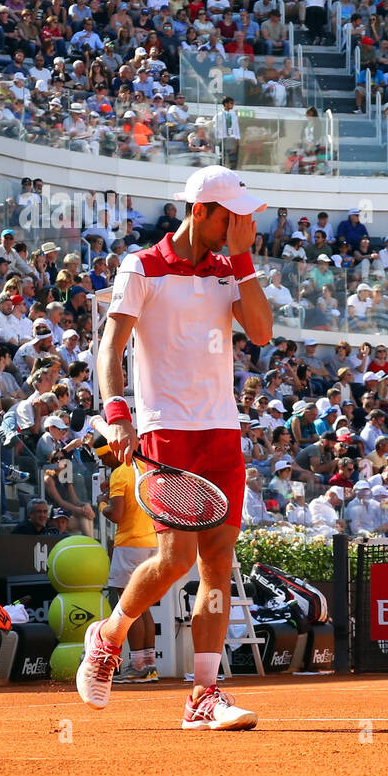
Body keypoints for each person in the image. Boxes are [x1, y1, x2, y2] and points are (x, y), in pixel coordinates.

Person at [78, 165, 273, 730]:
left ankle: (203, 696)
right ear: (201, 212)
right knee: (176, 559)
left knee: (217, 561)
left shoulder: (230, 268)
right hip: (165, 429)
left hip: (222, 430)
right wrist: (117, 415)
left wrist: (243, 260)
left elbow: (260, 332)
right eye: (233, 216)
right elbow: (109, 347)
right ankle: (110, 637)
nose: (243, 225)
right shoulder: (141, 266)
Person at [99, 441, 161, 684]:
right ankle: (148, 666)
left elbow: (116, 514)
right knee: (143, 605)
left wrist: (102, 503)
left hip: (130, 544)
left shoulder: (119, 472)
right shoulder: (145, 467)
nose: (103, 462)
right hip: (151, 543)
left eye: (104, 457)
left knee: (129, 605)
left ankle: (137, 667)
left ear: (115, 452)